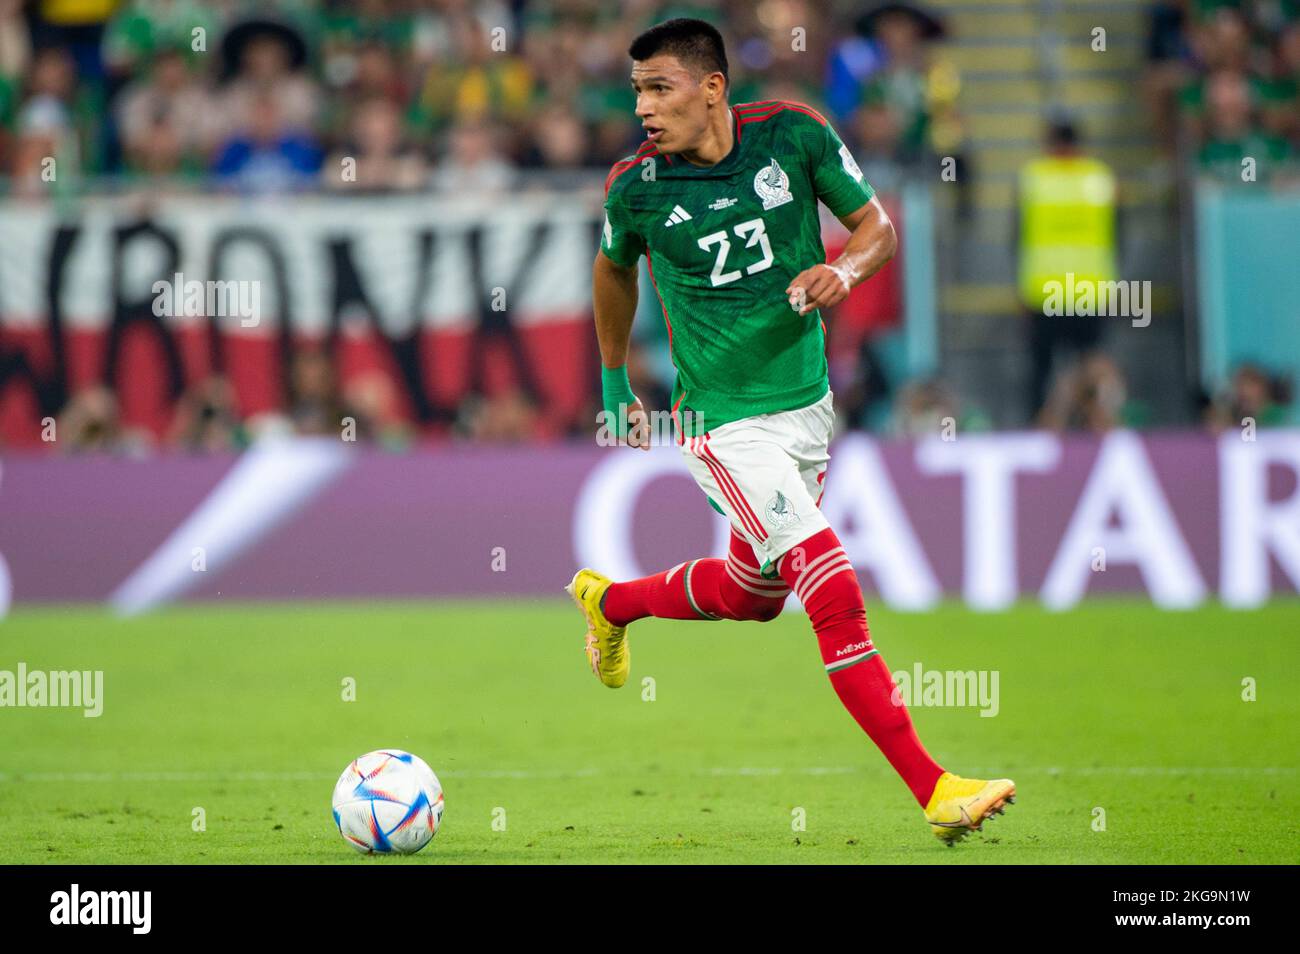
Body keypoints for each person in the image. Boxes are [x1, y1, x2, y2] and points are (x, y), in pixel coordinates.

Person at [566, 18, 1013, 845]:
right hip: (719, 422)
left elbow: (878, 228)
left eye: (658, 88)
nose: (643, 108)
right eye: (636, 91)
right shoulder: (636, 187)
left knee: (754, 594)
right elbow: (612, 266)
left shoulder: (795, 136)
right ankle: (935, 787)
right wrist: (614, 380)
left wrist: (842, 269)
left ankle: (610, 601)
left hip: (806, 407)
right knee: (829, 585)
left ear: (711, 88)